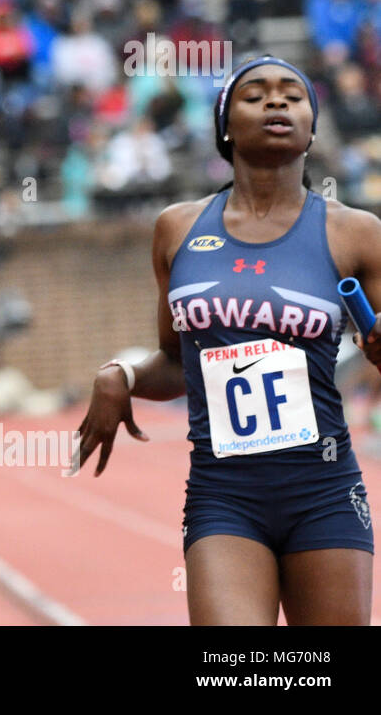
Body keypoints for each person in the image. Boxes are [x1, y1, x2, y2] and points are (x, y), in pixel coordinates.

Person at [77, 54, 376, 625]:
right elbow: (173, 361)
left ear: (313, 122)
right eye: (255, 93)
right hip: (224, 493)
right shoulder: (179, 228)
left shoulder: (356, 232)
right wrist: (124, 375)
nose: (276, 102)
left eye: (292, 94)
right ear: (224, 124)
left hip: (324, 489)